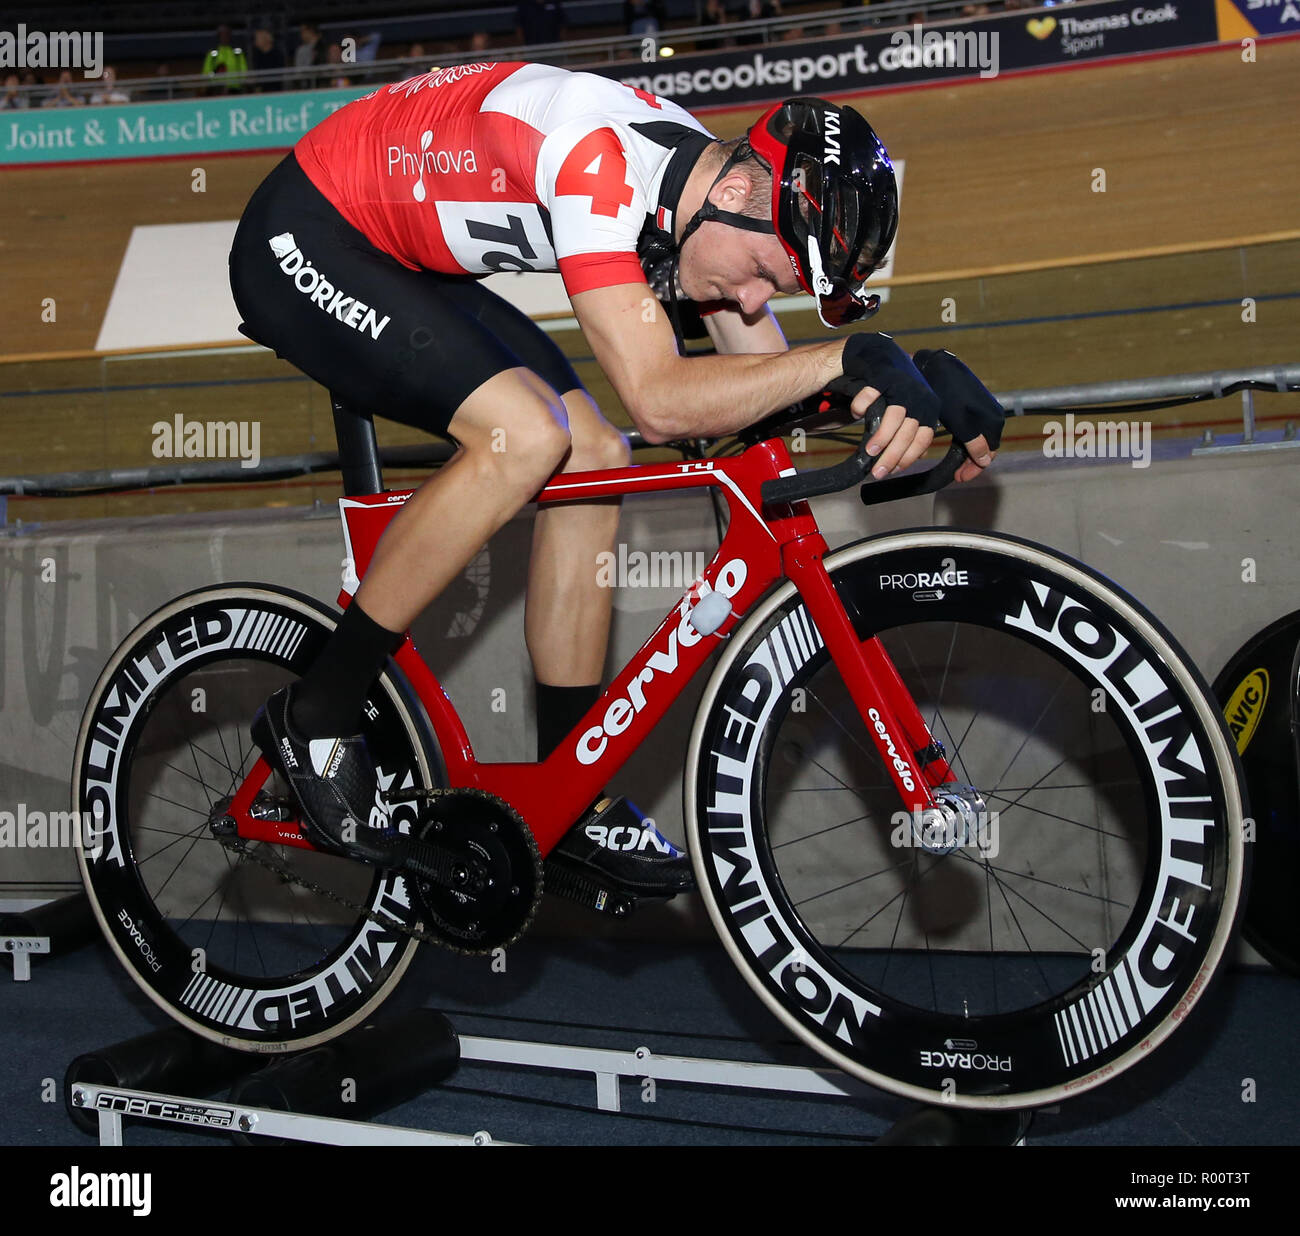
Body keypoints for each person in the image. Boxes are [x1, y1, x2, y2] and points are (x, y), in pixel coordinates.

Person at [227, 66, 1002, 906]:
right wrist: (851, 361)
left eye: (770, 289)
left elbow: (760, 378)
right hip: (307, 231)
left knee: (595, 450)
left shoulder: (704, 198)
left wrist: (908, 377)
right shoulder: (599, 162)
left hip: (408, 260)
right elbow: (663, 401)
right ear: (739, 187)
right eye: (758, 272)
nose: (749, 299)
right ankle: (315, 717)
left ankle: (568, 793)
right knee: (524, 435)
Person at [201, 26, 248, 93]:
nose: (224, 37)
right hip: (217, 89)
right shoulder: (213, 53)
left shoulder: (237, 52)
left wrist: (243, 82)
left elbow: (244, 70)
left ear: (230, 35)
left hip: (235, 88)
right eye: (222, 34)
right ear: (218, 36)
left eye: (227, 34)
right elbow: (206, 71)